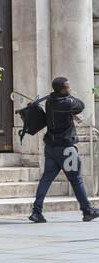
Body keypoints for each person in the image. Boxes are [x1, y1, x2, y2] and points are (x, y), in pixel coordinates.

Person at [29, 77, 99, 223]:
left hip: (51, 147)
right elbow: (81, 105)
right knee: (76, 180)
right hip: (66, 149)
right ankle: (87, 211)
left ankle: (36, 212)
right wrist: (70, 102)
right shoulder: (67, 102)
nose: (69, 88)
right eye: (67, 87)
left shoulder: (49, 101)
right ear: (62, 90)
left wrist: (70, 114)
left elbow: (62, 112)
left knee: (46, 179)